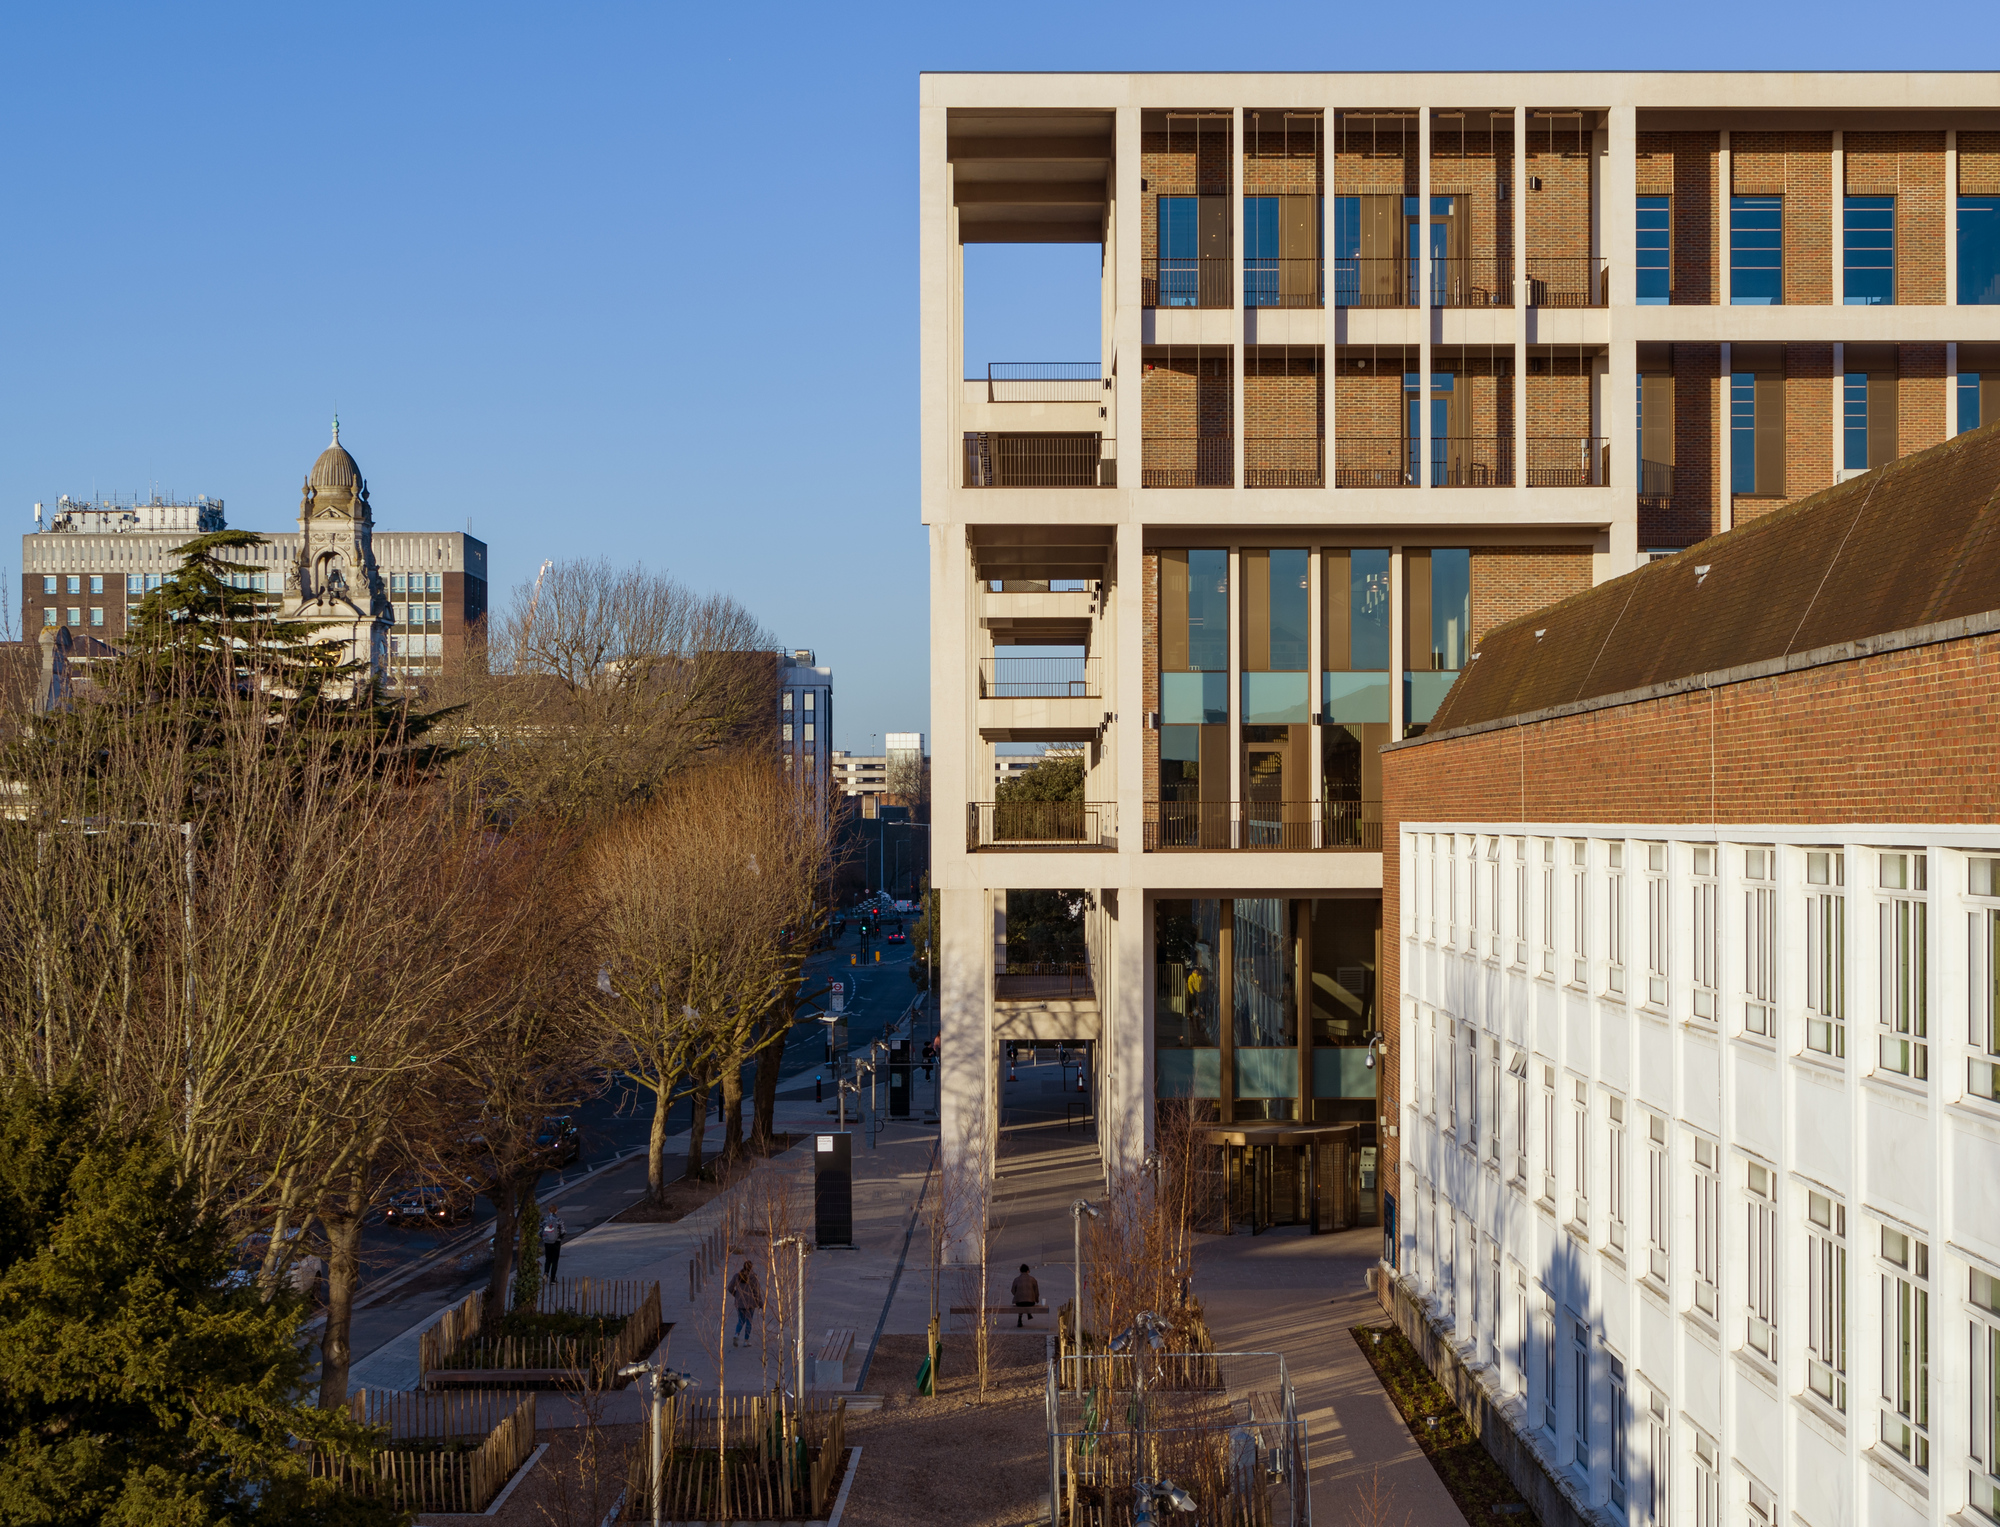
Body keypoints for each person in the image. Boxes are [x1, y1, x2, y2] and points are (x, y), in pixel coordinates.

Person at [730, 1259, 764, 1347]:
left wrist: (736, 1295)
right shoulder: (753, 1278)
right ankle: (746, 1340)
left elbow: (730, 1287)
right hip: (750, 1303)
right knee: (749, 1321)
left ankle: (736, 1334)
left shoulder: (737, 1276)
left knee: (740, 1320)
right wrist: (761, 1304)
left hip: (740, 1303)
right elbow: (757, 1292)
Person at [1011, 1263, 1040, 1327]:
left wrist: (1017, 1294)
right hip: (1030, 1302)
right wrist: (1036, 1299)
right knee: (1027, 1301)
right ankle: (1028, 1313)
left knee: (1021, 1302)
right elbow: (1036, 1292)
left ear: (1020, 1271)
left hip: (1019, 1303)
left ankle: (1020, 1319)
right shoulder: (1033, 1279)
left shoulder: (1016, 1279)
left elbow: (1013, 1291)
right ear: (1028, 1271)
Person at [541, 1211, 565, 1280]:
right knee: (555, 1260)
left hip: (547, 1242)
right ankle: (553, 1278)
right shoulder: (559, 1220)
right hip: (556, 1242)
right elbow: (563, 1231)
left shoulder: (545, 1219)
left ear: (549, 1211)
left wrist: (544, 1238)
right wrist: (560, 1237)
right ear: (556, 1211)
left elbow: (541, 1231)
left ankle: (546, 1272)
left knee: (548, 1259)